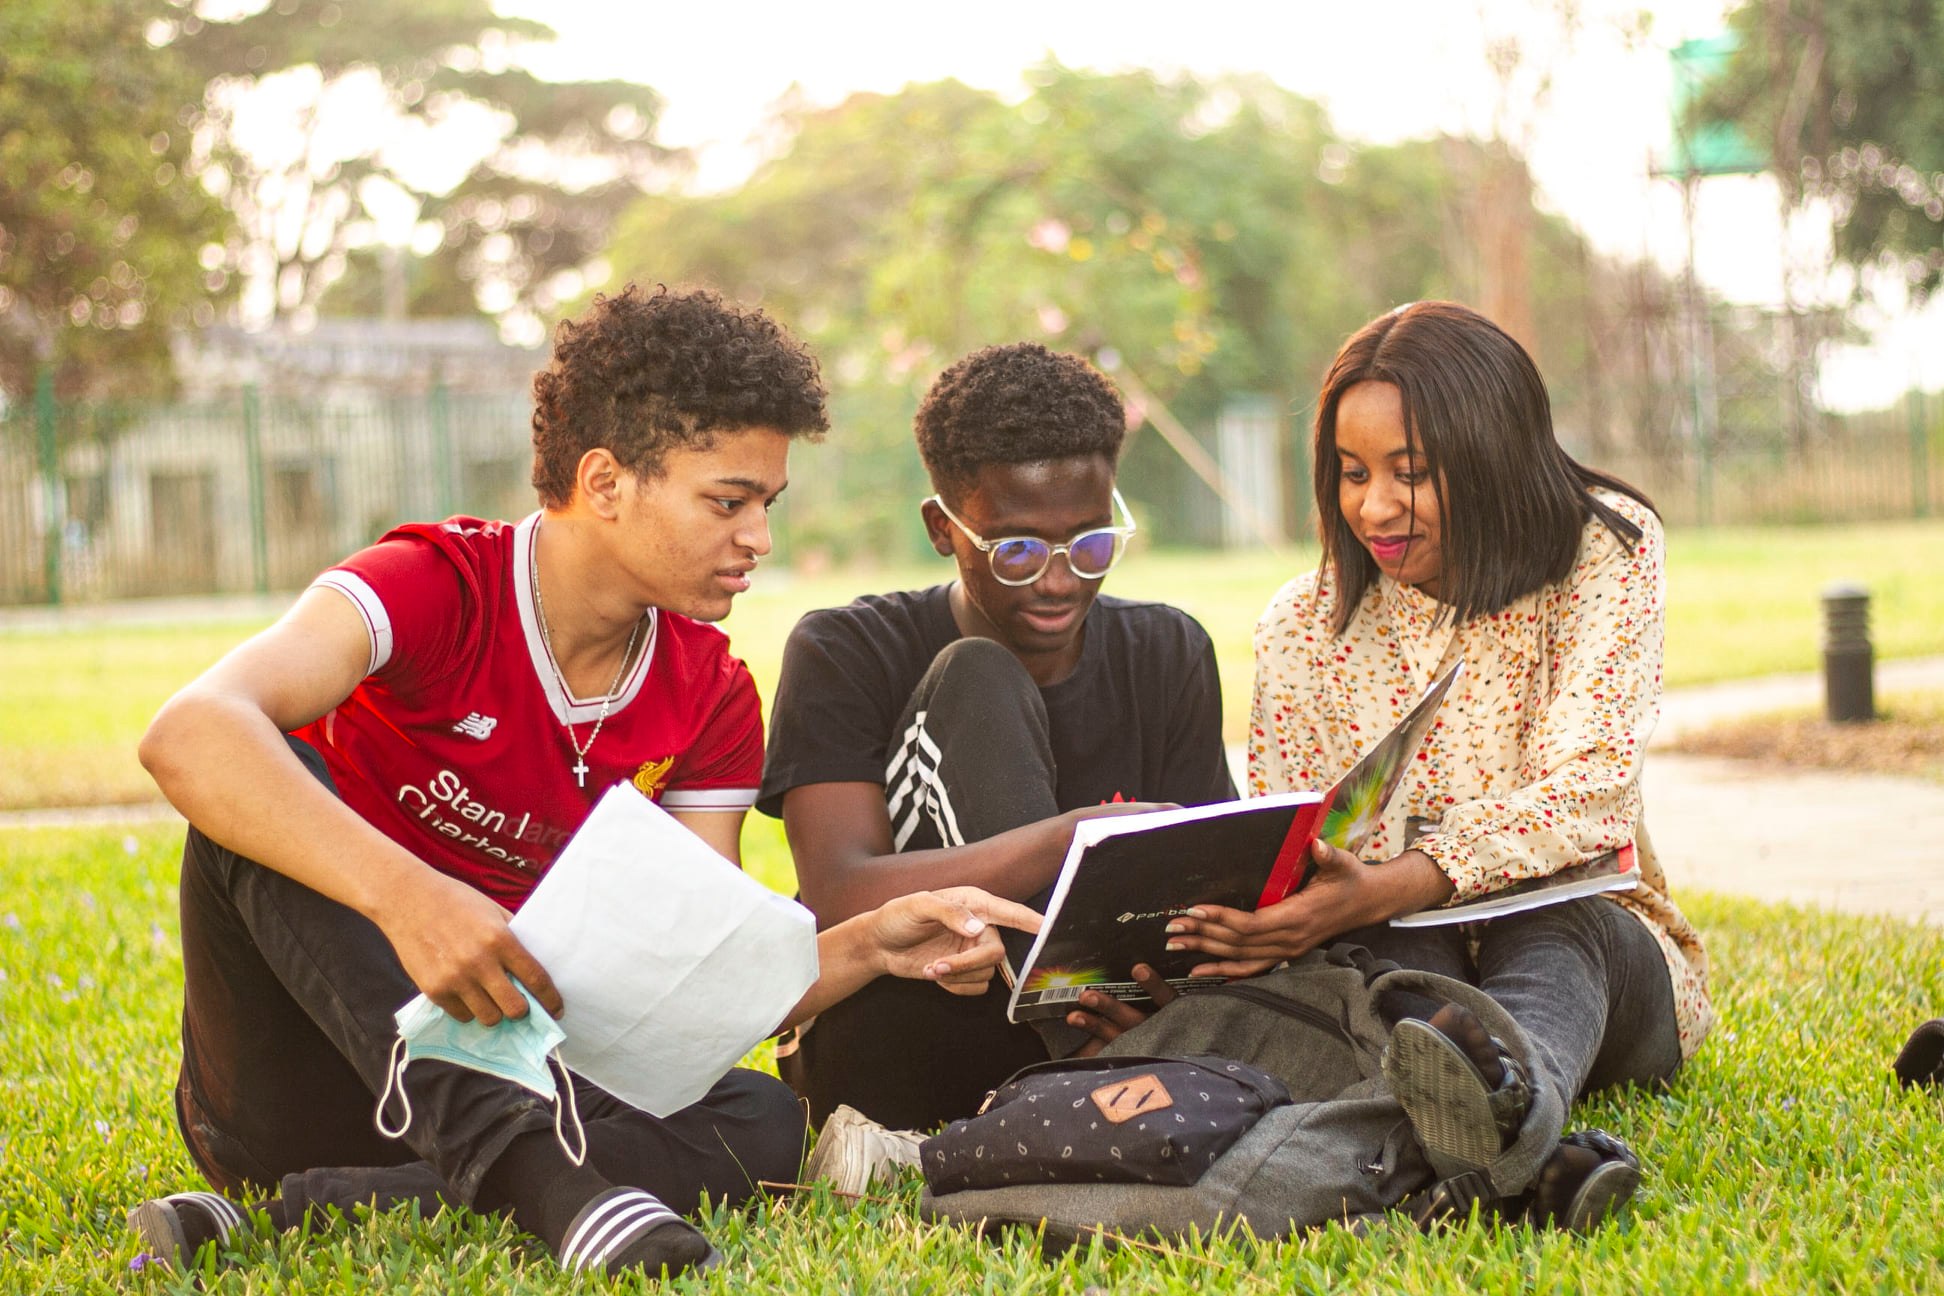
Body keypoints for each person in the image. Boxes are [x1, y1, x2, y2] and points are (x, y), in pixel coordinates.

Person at [124, 284, 1041, 1280]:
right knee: (261, 783)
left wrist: (870, 943)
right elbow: (191, 731)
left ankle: (287, 1218)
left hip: (522, 1088)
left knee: (765, 1122)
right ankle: (554, 1193)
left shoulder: (711, 694)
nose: (758, 541)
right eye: (727, 502)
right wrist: (412, 901)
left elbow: (704, 974)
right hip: (302, 1080)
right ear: (605, 482)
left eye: (766, 507)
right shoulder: (433, 585)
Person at [1075, 301, 1712, 1227]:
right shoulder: (1305, 622)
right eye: (1350, 472)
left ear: (1493, 455)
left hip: (1602, 953)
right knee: (1391, 976)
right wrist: (1251, 936)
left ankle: (1463, 1129)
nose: (1373, 506)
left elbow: (1593, 794)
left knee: (1555, 921)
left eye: (1410, 473)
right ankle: (1522, 1160)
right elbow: (1297, 853)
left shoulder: (1603, 548)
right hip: (1402, 956)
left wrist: (1386, 884)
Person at [758, 342, 1236, 1134]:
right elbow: (838, 893)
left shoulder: (1167, 651)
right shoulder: (847, 649)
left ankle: (1093, 1075)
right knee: (978, 677)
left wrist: (1156, 1000)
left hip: (1111, 1037)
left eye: (1090, 543)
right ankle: (1087, 1083)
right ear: (943, 529)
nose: (1060, 582)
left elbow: (1204, 889)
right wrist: (1072, 839)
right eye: (1016, 550)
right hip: (903, 1025)